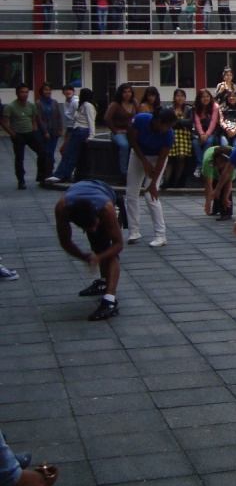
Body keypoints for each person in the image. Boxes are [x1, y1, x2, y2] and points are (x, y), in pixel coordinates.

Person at [54, 180, 125, 321]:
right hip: (84, 197)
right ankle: (104, 282)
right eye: (87, 228)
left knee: (108, 251)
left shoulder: (106, 208)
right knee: (97, 245)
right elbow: (65, 242)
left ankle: (110, 301)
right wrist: (84, 256)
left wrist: (99, 257)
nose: (92, 229)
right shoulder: (62, 208)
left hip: (106, 193)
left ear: (97, 216)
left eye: (94, 225)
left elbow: (118, 244)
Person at [124, 108, 175, 247]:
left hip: (157, 158)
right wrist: (144, 162)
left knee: (150, 195)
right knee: (131, 193)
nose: (168, 129)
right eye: (167, 125)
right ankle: (133, 231)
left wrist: (153, 184)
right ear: (158, 121)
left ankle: (160, 234)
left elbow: (162, 159)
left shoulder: (169, 134)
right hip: (138, 154)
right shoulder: (140, 119)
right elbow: (132, 140)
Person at [2, 84, 49, 189]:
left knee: (43, 152)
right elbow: (4, 122)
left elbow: (34, 118)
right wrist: (12, 134)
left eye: (26, 92)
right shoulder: (10, 107)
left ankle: (41, 176)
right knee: (19, 158)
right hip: (18, 134)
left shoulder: (31, 105)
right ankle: (21, 180)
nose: (25, 94)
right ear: (17, 93)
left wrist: (35, 129)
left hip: (30, 133)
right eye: (22, 92)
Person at [47, 89, 96, 184]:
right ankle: (62, 174)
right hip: (77, 130)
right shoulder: (83, 105)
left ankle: (61, 175)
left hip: (81, 131)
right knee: (68, 153)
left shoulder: (87, 105)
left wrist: (91, 135)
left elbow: (91, 121)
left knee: (70, 153)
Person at [164, 88, 194, 191]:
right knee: (169, 159)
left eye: (182, 96)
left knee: (181, 157)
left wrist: (176, 121)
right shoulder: (169, 108)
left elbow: (190, 122)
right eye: (178, 96)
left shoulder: (189, 109)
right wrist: (181, 122)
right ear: (174, 98)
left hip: (184, 135)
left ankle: (177, 180)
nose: (180, 98)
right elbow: (168, 122)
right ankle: (166, 182)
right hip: (171, 134)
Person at [105, 83, 137, 180]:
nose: (127, 94)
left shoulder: (134, 102)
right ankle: (124, 172)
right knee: (124, 145)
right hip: (118, 131)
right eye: (124, 92)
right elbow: (107, 118)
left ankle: (136, 170)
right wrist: (115, 130)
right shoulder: (115, 104)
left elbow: (139, 114)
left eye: (129, 92)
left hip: (130, 131)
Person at [35, 83, 62, 182]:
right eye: (46, 90)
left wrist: (60, 129)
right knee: (44, 152)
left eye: (49, 90)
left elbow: (59, 116)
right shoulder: (38, 103)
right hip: (43, 132)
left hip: (53, 131)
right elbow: (39, 119)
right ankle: (42, 174)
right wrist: (45, 132)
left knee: (51, 152)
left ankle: (49, 173)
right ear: (42, 91)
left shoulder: (54, 102)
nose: (48, 92)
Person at [191, 89, 221, 176]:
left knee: (210, 140)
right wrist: (201, 134)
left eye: (207, 96)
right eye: (203, 97)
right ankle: (200, 165)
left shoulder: (215, 106)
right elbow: (197, 122)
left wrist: (206, 135)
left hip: (211, 132)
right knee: (195, 142)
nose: (205, 99)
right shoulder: (195, 107)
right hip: (200, 132)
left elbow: (213, 121)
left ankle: (202, 165)